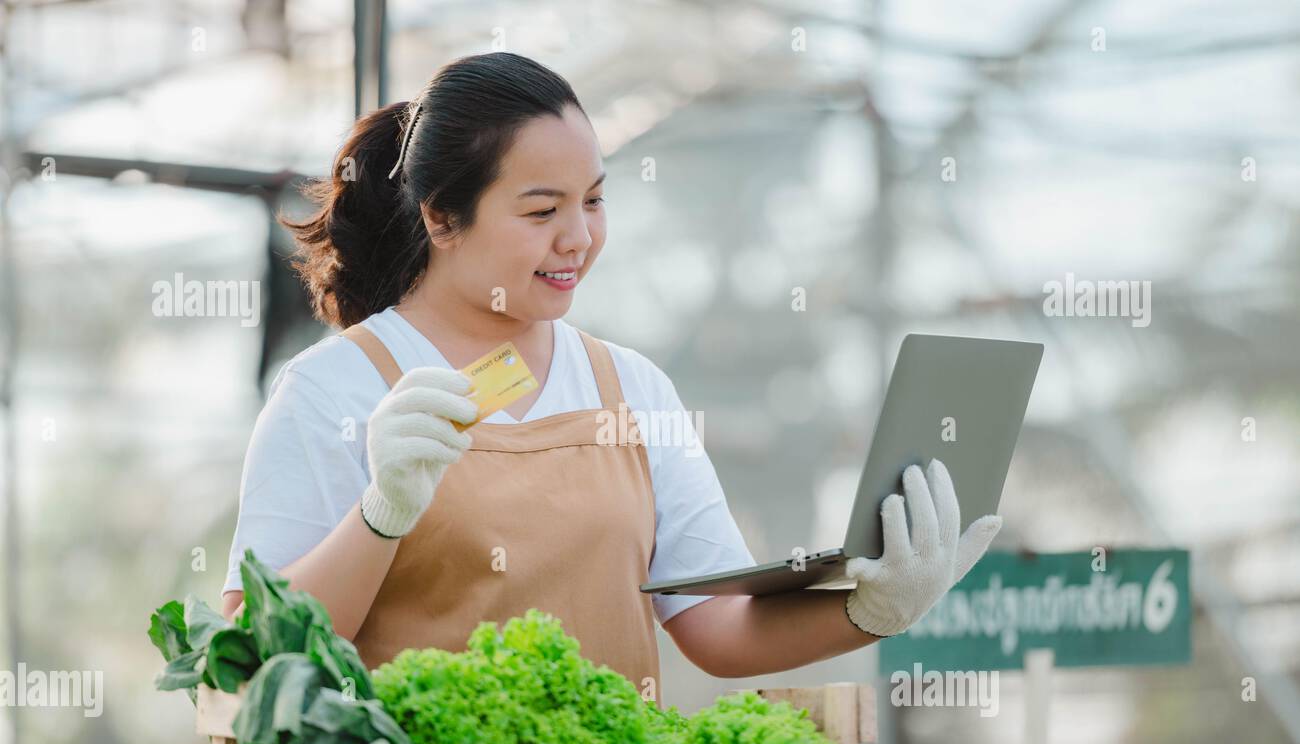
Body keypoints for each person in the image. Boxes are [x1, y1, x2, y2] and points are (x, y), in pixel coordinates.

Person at [220, 52, 1001, 698]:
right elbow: (251, 656)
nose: (580, 239)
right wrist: (381, 514)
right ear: (440, 218)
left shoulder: (631, 389)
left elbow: (715, 627)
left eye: (594, 201)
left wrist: (873, 610)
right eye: (541, 211)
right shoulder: (332, 392)